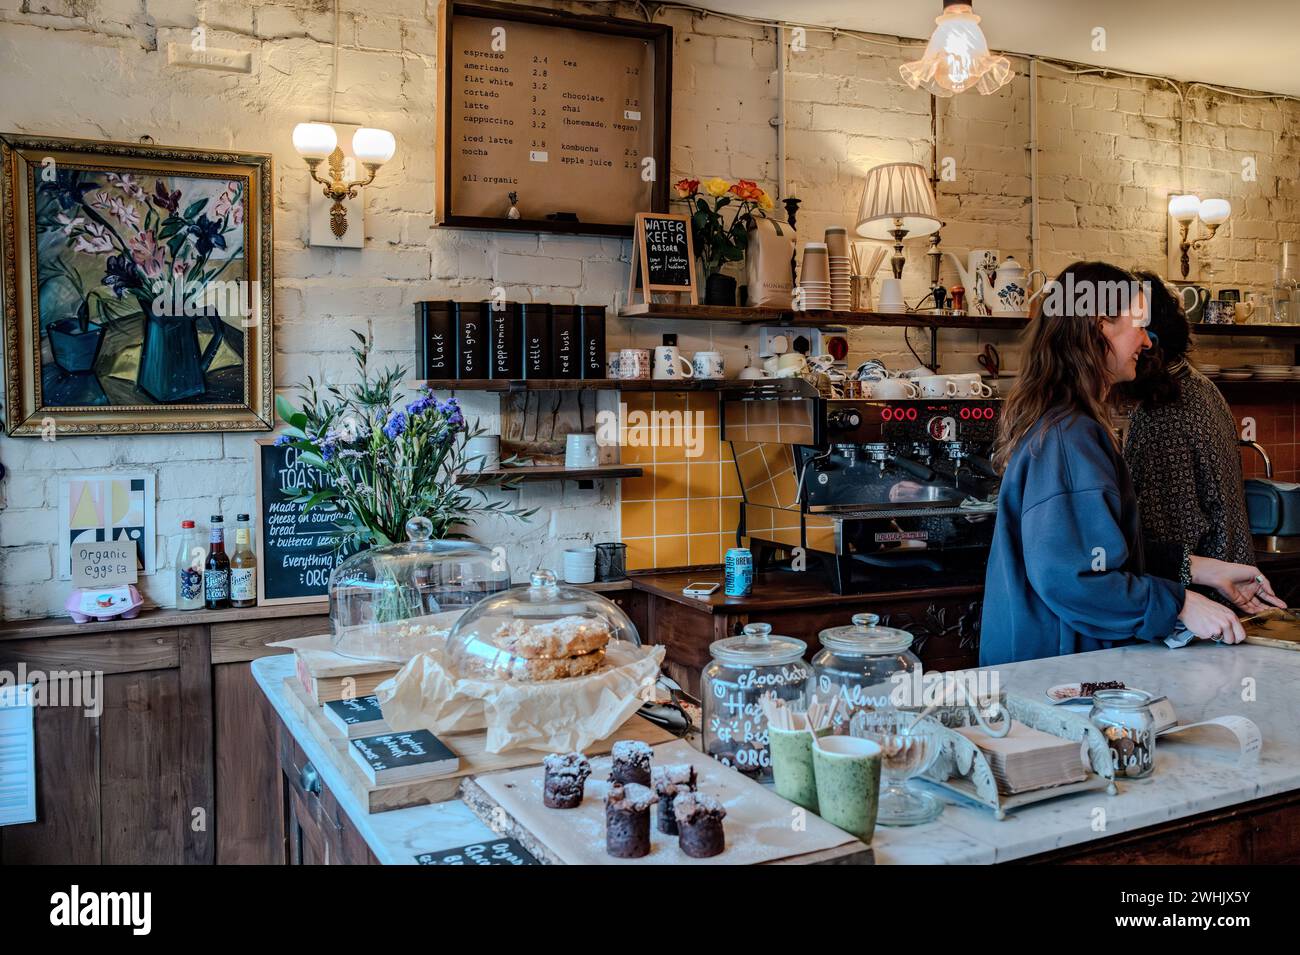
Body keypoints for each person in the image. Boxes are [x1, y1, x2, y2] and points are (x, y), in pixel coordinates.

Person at [980, 261, 1283, 666]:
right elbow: (1078, 579)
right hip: (1055, 669)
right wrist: (1180, 604)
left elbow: (1105, 552)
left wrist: (1205, 570)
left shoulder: (1069, 425)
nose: (1147, 340)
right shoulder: (1071, 438)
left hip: (1061, 662)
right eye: (1139, 324)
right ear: (1100, 324)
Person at [1118, 272, 1261, 604]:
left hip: (1198, 606)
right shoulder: (1199, 385)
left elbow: (1168, 538)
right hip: (1227, 593)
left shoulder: (1160, 415)